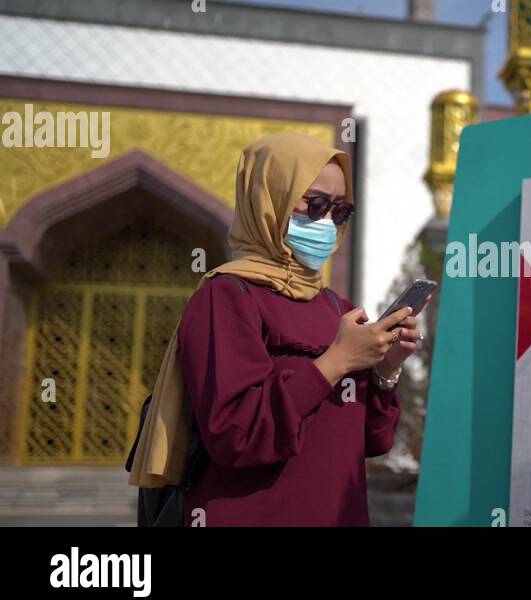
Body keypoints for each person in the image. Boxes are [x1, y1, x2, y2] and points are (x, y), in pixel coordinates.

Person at [129, 133, 426, 526]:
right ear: (270, 198)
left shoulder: (340, 309)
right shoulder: (227, 297)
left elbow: (373, 441)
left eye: (339, 211)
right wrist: (333, 364)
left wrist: (385, 370)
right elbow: (237, 435)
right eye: (314, 204)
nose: (326, 222)